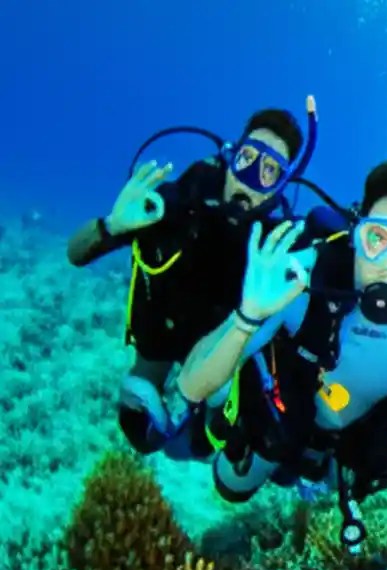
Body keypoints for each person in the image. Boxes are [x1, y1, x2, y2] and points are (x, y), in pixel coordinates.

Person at [176, 158, 387, 551]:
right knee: (231, 487)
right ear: (355, 235)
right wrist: (248, 316)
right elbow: (191, 385)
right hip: (275, 426)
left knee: (337, 503)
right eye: (377, 238)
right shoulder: (300, 285)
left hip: (344, 453)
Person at [65, 100, 317, 457]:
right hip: (162, 333)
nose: (251, 178)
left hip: (219, 347)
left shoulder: (276, 243)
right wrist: (112, 225)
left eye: (270, 171)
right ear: (231, 157)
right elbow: (75, 254)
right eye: (248, 159)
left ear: (280, 185)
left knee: (210, 443)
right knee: (138, 431)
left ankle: (203, 420)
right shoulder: (176, 203)